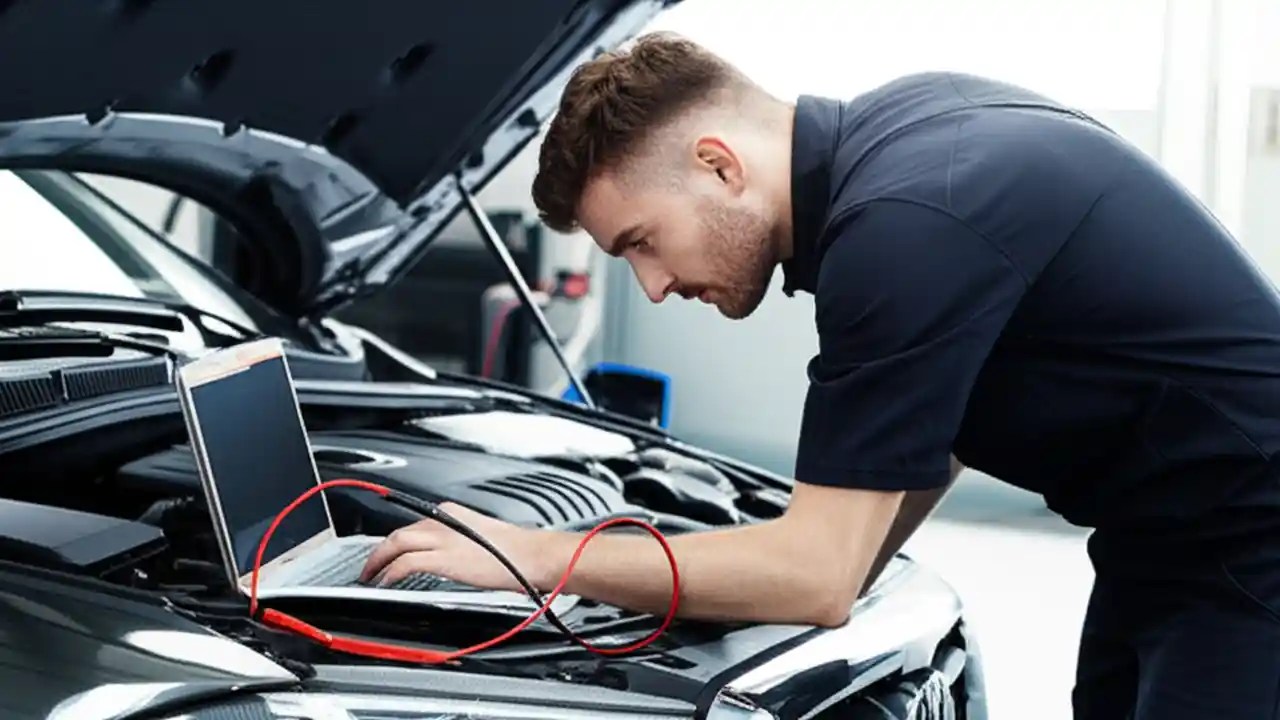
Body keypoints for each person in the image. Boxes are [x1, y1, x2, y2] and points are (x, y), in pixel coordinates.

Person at [361, 32, 1280, 719]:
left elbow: (816, 578)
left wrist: (538, 558)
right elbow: (929, 434)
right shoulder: (905, 138)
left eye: (641, 242)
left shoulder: (906, 224)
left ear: (717, 165)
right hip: (1173, 540)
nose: (654, 284)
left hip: (1249, 546)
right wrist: (817, 560)